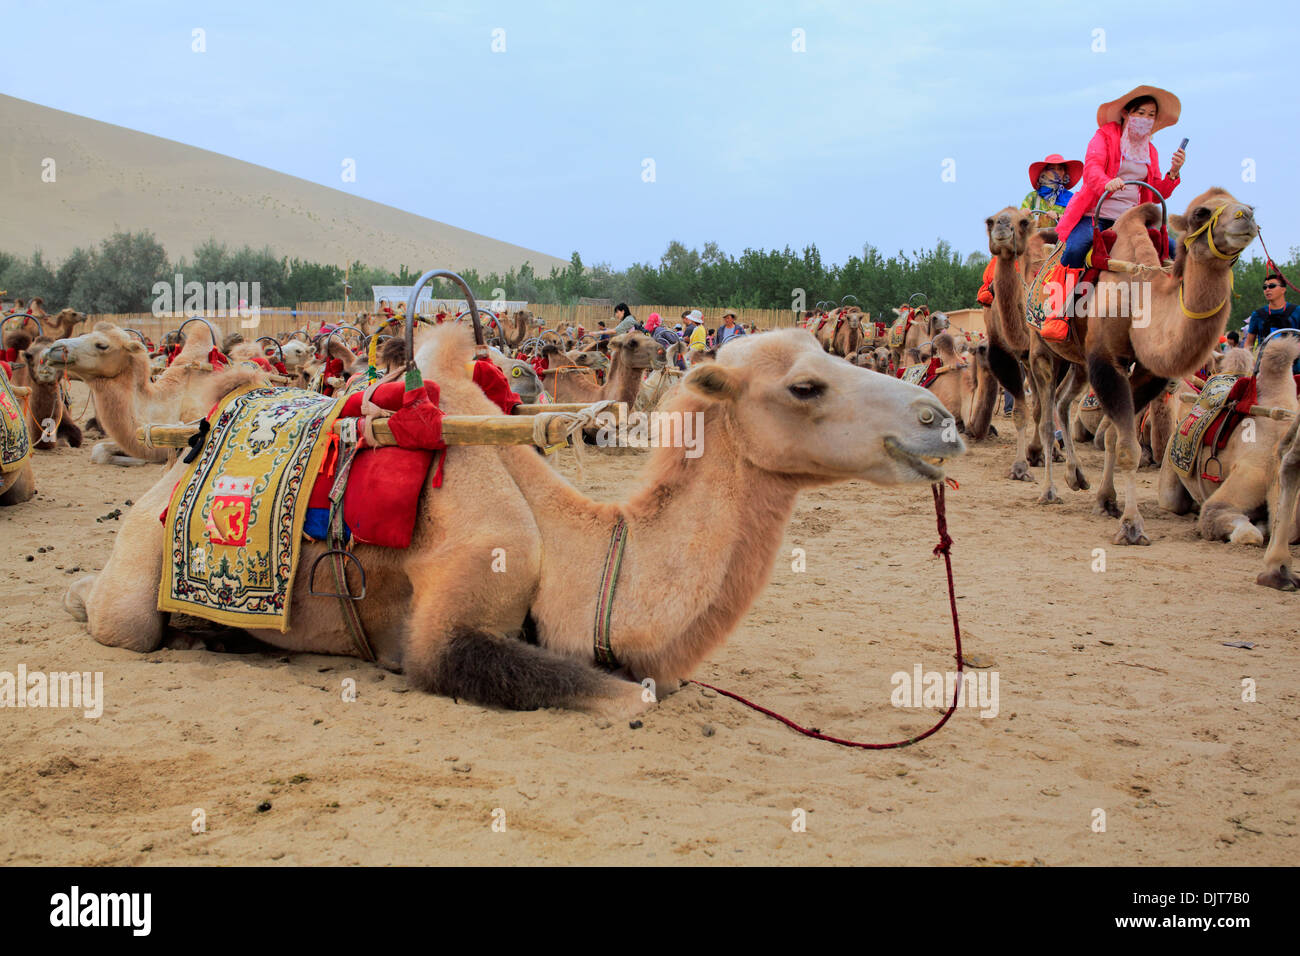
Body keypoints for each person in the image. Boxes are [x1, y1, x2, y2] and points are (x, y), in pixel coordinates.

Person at [1042, 85, 1186, 342]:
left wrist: (1173, 173)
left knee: (1176, 252)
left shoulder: (1150, 151)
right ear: (1126, 114)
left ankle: (1180, 318)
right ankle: (1057, 313)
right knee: (1075, 248)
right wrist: (1107, 182)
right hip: (1096, 215)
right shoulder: (1104, 137)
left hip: (1132, 220)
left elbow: (1155, 193)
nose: (1145, 119)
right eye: (1140, 113)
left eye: (1151, 115)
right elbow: (1092, 169)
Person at [1245, 273, 1300, 372]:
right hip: (1264, 369)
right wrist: (1249, 363)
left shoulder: (1297, 311)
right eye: (1265, 287)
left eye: (1272, 286)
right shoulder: (1257, 314)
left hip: (1293, 369)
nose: (1267, 289)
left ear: (1283, 289)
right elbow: (1249, 342)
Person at [1021, 153, 1084, 229]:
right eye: (1052, 169)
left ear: (1064, 173)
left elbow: (1078, 220)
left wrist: (1058, 216)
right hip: (1036, 236)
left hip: (1062, 236)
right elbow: (1018, 223)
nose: (1056, 172)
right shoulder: (1032, 197)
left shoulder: (1072, 198)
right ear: (1044, 172)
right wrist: (1021, 215)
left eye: (1060, 169)